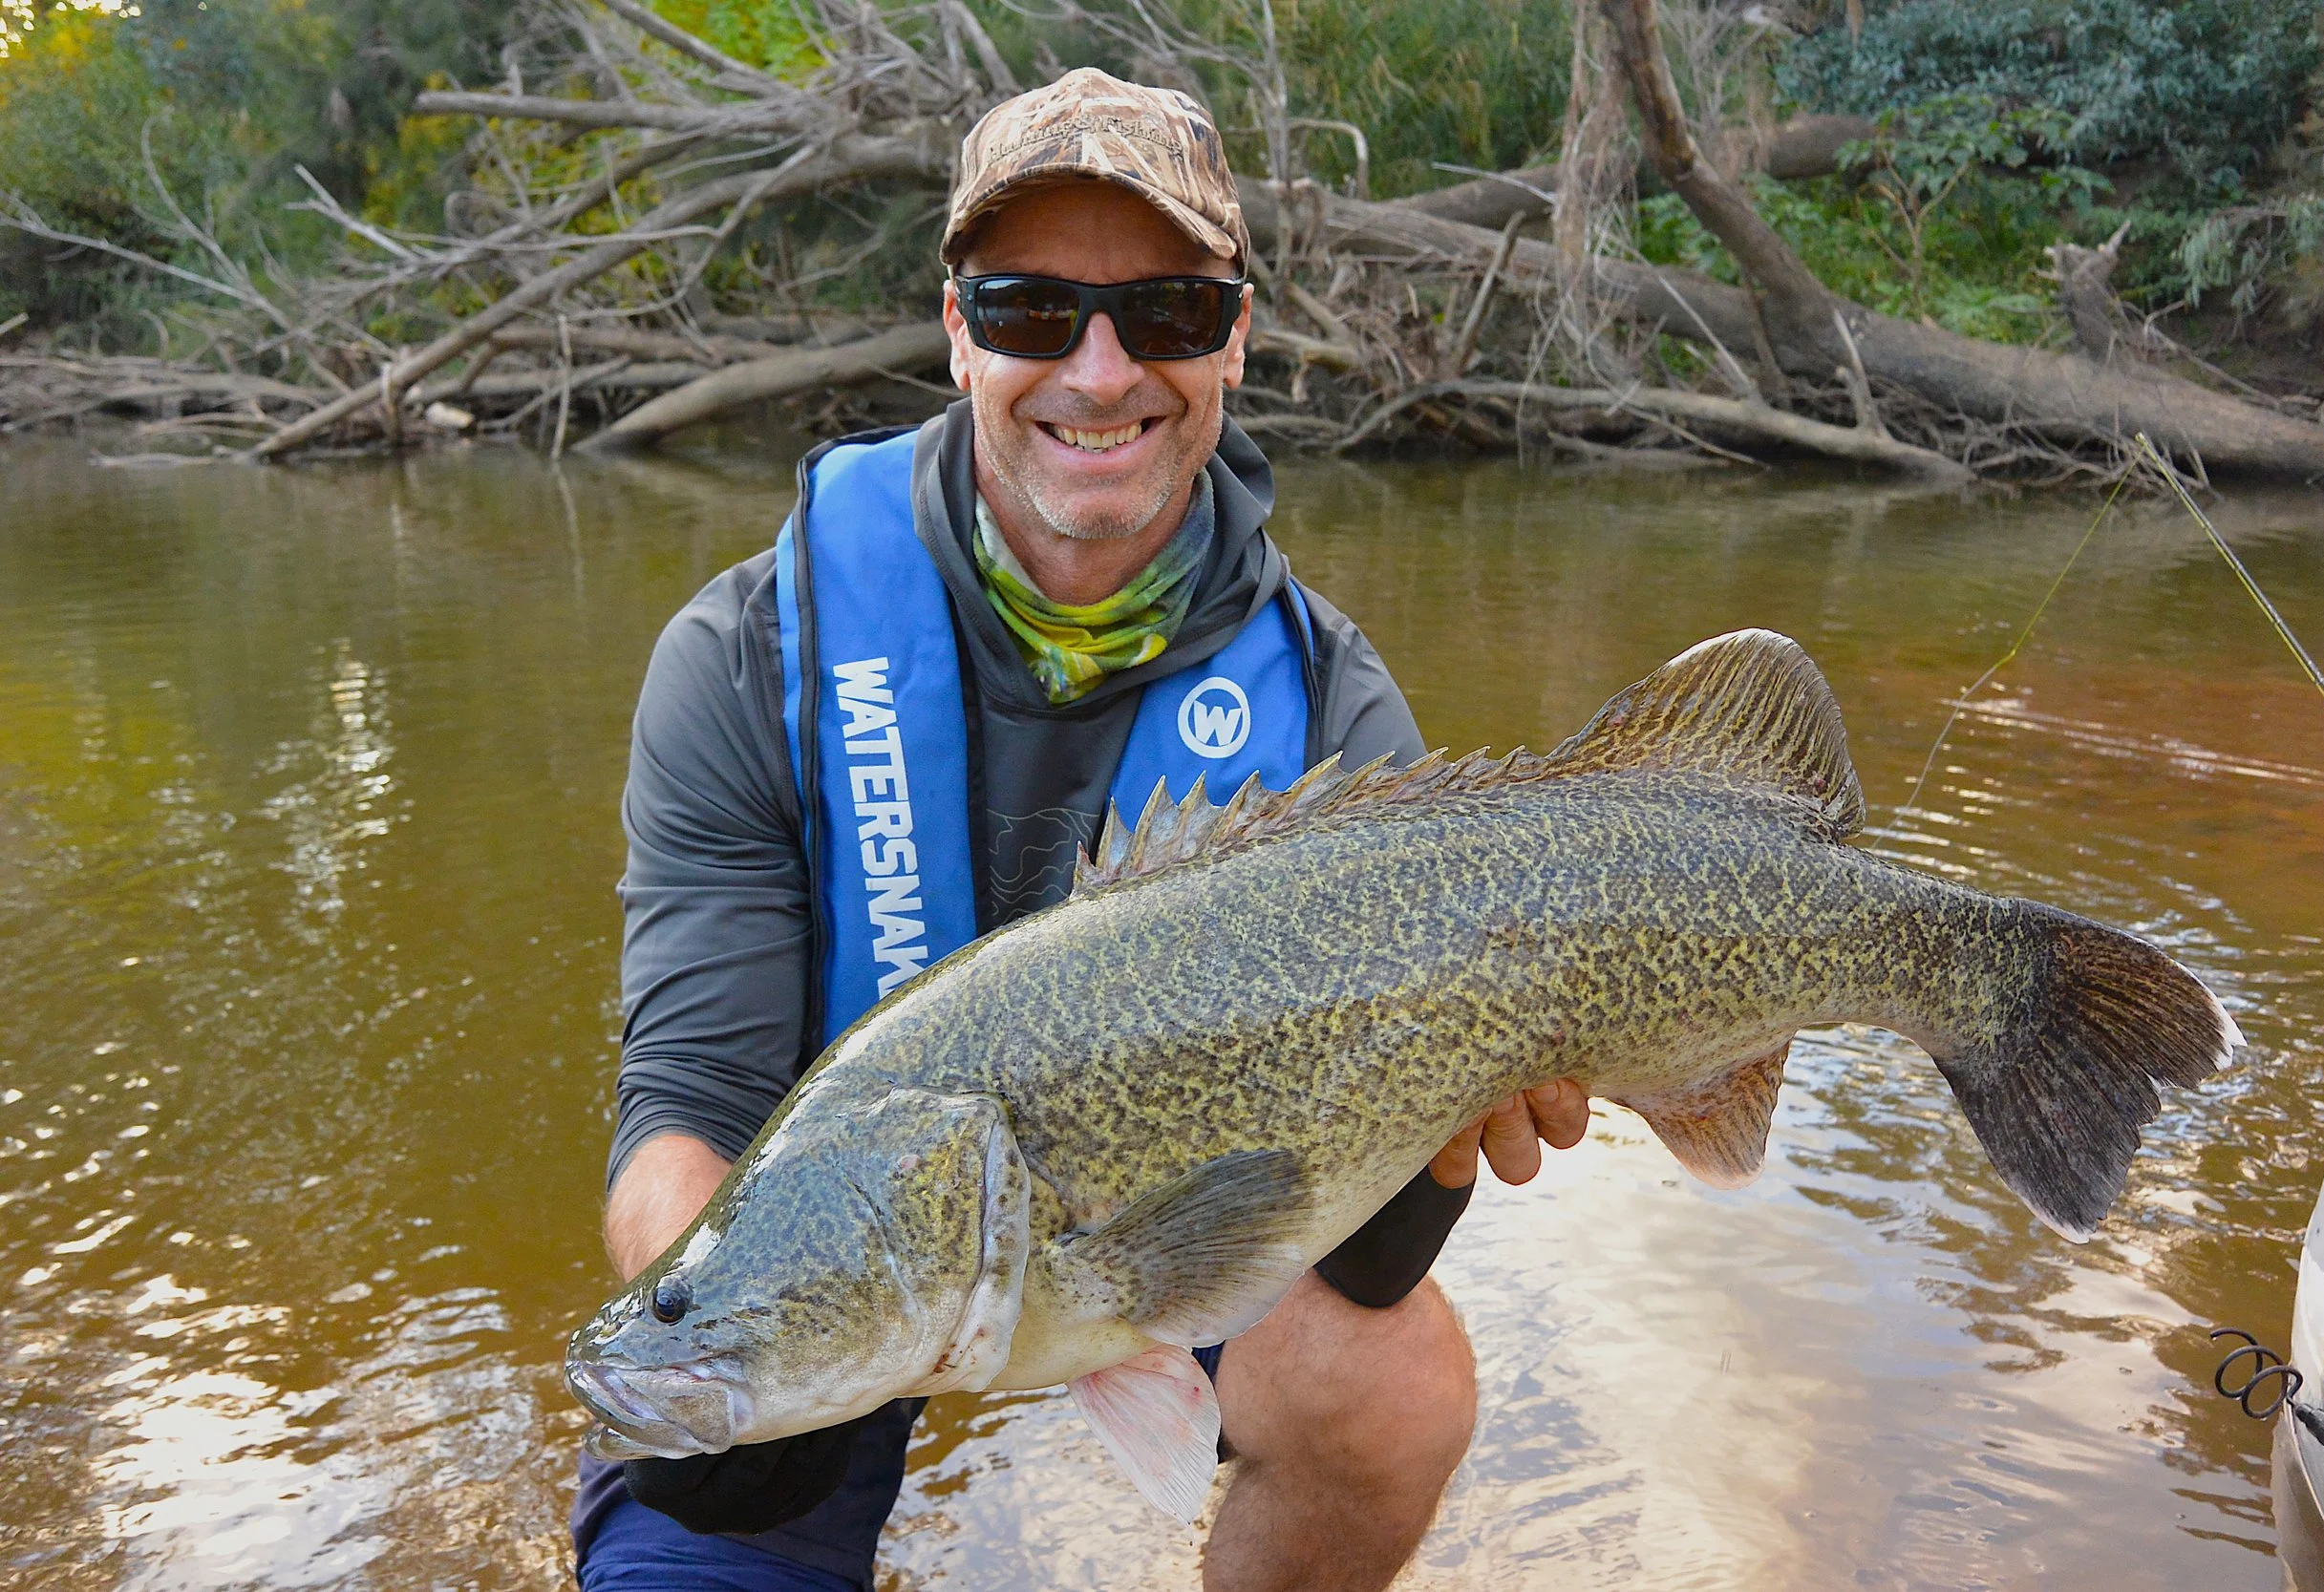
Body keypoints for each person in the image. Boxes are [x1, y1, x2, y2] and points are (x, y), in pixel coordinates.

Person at [569, 68, 1591, 1592]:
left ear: (1237, 333)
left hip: (1172, 1228)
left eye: (1169, 311)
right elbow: (688, 1103)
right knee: (710, 1483)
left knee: (1396, 1384)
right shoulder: (744, 658)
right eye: (1035, 308)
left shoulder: (1326, 709)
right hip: (859, 1224)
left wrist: (1450, 1139)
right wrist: (745, 1342)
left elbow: (1361, 1266)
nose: (1102, 372)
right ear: (959, 329)